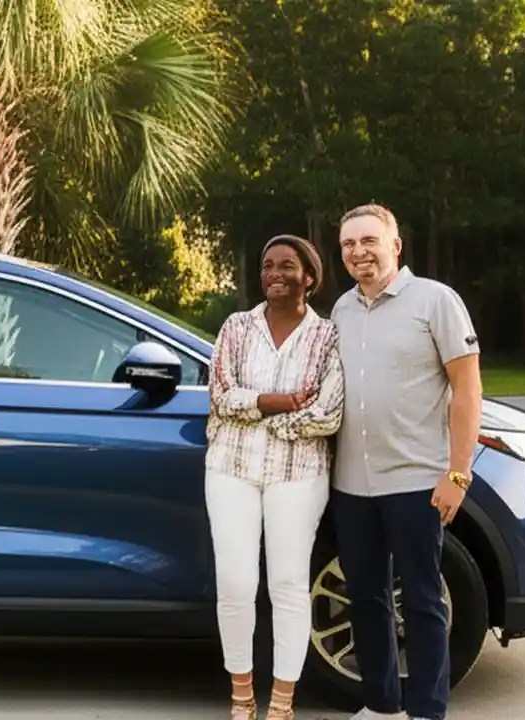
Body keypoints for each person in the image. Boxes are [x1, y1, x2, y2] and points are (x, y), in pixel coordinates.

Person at [330, 204, 482, 720]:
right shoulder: (342, 310)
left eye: (369, 241)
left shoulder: (436, 301)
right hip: (352, 484)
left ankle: (426, 711)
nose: (359, 252)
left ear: (395, 246)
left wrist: (458, 472)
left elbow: (468, 390)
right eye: (349, 244)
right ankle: (381, 706)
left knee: (422, 601)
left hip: (416, 481)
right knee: (365, 598)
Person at [206, 234, 346, 720]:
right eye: (268, 265)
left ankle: (281, 704)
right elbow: (221, 396)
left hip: (298, 474)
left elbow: (327, 413)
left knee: (287, 583)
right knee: (235, 582)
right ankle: (242, 698)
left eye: (287, 265)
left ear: (309, 276)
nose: (275, 273)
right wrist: (277, 402)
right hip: (231, 468)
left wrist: (260, 415)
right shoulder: (236, 327)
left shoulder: (327, 336)